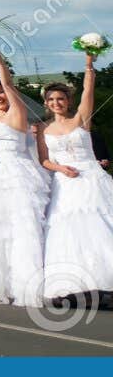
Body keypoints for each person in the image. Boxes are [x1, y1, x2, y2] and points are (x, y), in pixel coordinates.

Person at [0, 40, 48, 305]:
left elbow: (9, 85)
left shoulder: (17, 113)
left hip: (17, 174)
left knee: (22, 227)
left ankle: (26, 284)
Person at [37, 50, 113, 296]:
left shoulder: (81, 119)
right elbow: (44, 160)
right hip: (65, 182)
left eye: (60, 99)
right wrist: (60, 168)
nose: (56, 103)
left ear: (68, 101)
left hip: (91, 177)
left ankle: (105, 280)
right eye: (51, 100)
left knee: (99, 224)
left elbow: (88, 90)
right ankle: (76, 283)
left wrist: (89, 62)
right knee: (69, 229)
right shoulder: (44, 129)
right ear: (46, 103)